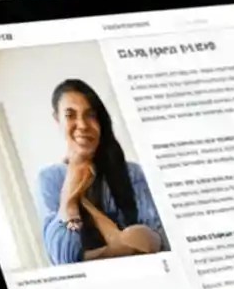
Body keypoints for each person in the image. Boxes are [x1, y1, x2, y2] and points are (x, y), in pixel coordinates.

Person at [36, 78, 167, 265]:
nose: (82, 125)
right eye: (70, 115)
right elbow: (64, 260)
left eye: (90, 115)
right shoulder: (51, 178)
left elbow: (156, 242)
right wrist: (70, 198)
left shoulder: (132, 173)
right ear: (57, 119)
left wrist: (95, 255)